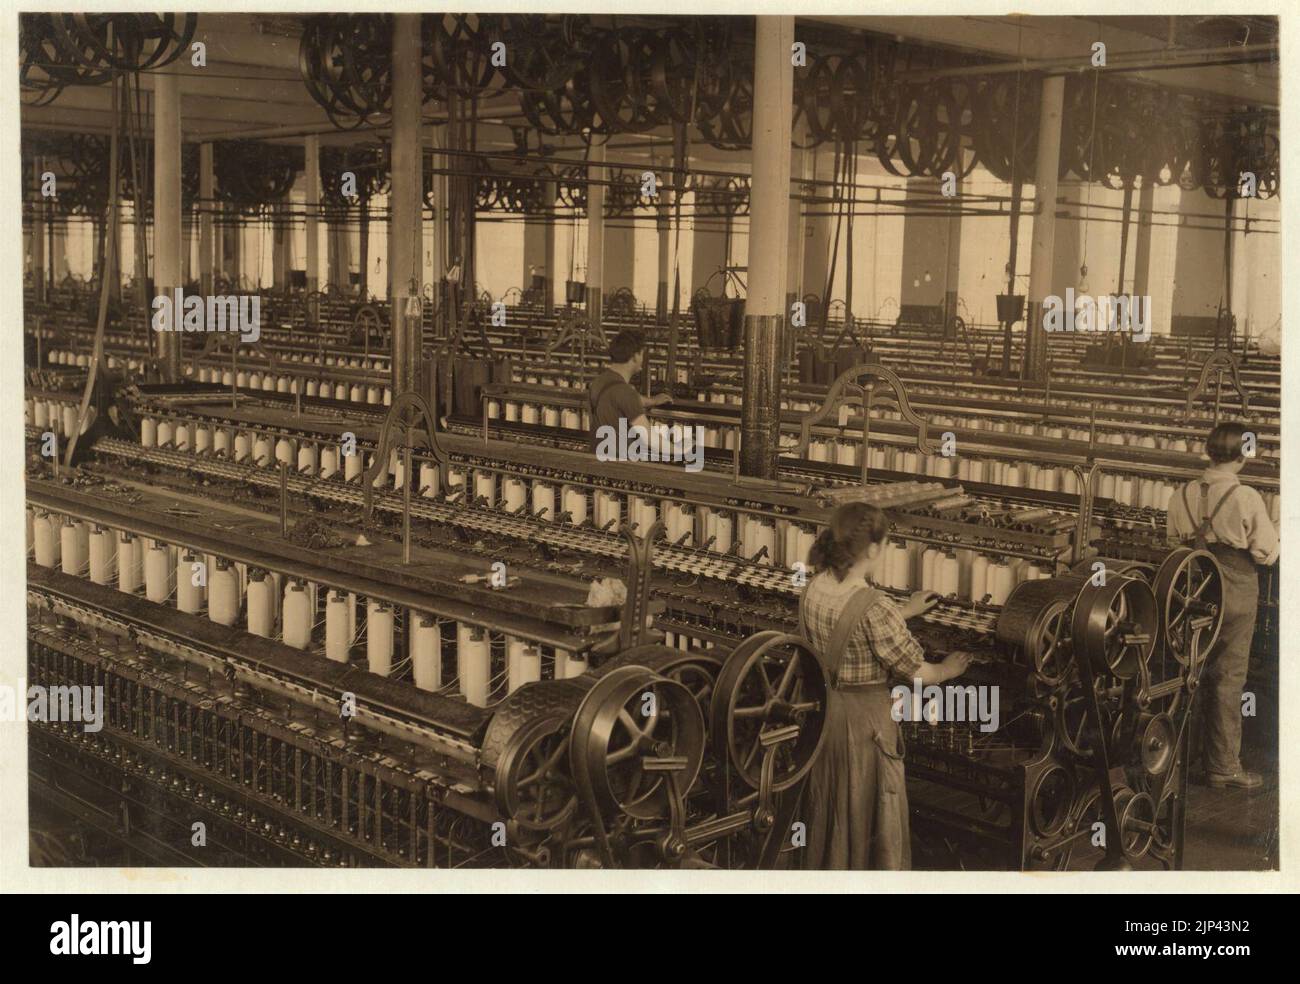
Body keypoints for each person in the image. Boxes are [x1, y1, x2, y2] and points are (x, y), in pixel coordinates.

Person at [800, 502, 971, 869]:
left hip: (826, 714)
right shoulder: (875, 607)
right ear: (875, 549)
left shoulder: (816, 586)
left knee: (832, 802)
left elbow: (848, 623)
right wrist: (948, 669)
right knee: (872, 805)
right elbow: (918, 673)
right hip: (867, 727)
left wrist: (904, 611)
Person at [1166, 421, 1278, 790]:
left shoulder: (1181, 492)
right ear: (1244, 455)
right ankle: (1223, 766)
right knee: (1228, 679)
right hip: (1236, 592)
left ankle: (1175, 756)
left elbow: (1173, 542)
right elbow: (1266, 553)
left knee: (1189, 670)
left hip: (1192, 592)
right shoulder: (1246, 497)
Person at [587, 330, 671, 454]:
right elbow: (649, 438)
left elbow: (619, 400)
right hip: (618, 466)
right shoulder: (626, 393)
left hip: (596, 458)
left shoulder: (598, 382)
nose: (642, 359)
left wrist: (652, 401)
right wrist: (682, 451)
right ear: (634, 356)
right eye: (642, 354)